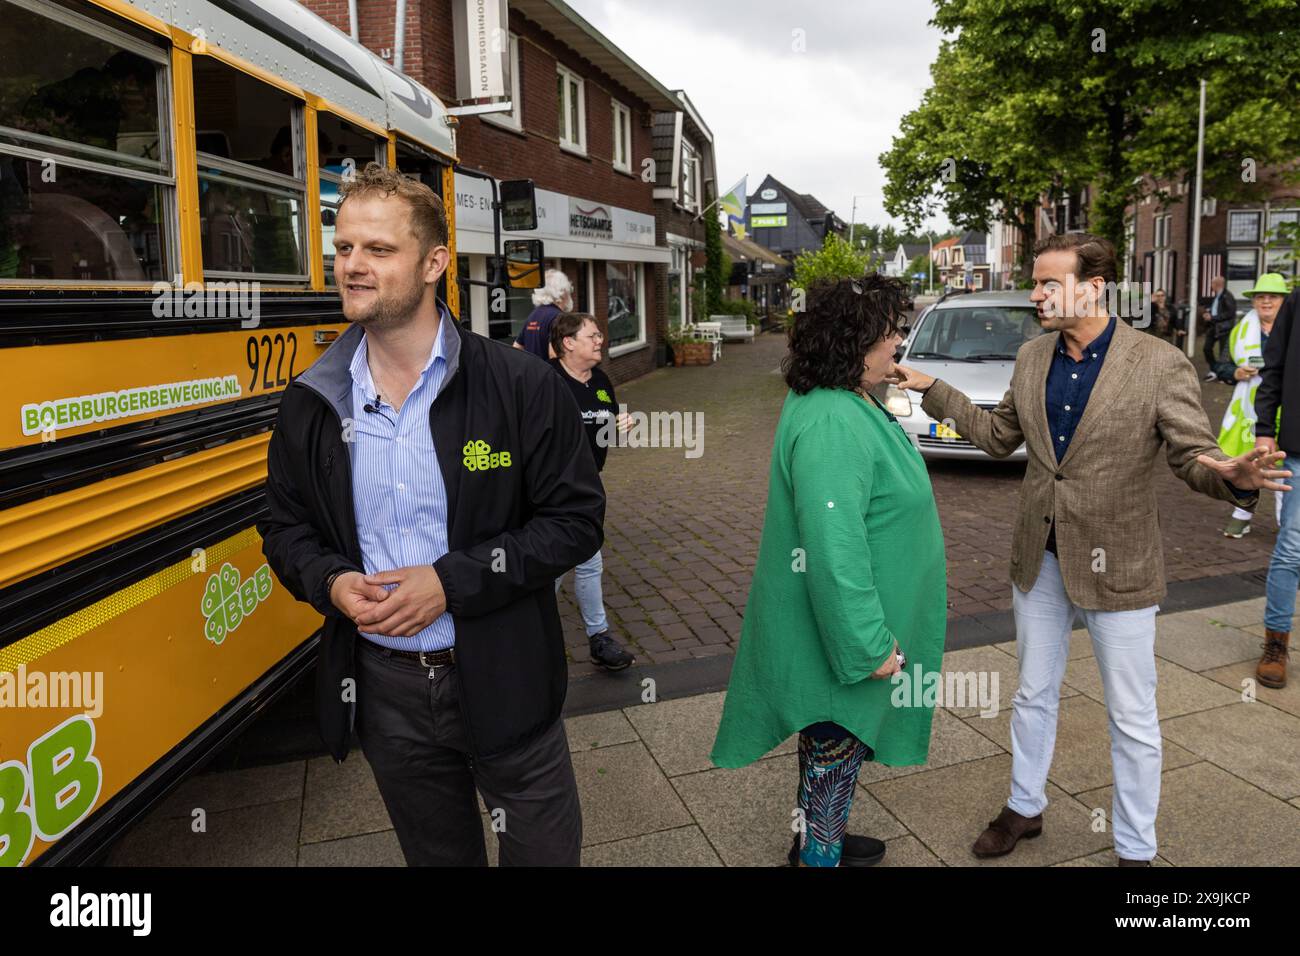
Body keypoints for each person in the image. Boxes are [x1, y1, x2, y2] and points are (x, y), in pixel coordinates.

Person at [891, 233, 1290, 866]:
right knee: (1032, 693)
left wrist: (1231, 476)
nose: (1036, 293)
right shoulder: (1030, 358)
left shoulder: (1157, 362)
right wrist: (929, 386)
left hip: (1121, 561)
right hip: (1039, 556)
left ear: (1093, 287)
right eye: (1036, 281)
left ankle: (1135, 848)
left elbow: (1192, 453)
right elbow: (998, 439)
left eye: (1049, 282)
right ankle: (1025, 807)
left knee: (1132, 713)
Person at [257, 162, 605, 866]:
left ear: (434, 263)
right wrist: (328, 581)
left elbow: (573, 520)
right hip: (385, 690)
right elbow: (283, 525)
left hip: (506, 675)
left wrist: (451, 582)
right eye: (345, 246)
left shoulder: (519, 385)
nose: (353, 265)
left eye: (379, 250)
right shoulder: (313, 399)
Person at [711, 273, 947, 868]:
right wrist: (867, 645)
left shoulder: (843, 397)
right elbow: (834, 549)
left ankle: (816, 839)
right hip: (844, 638)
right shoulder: (834, 422)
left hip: (842, 629)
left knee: (827, 747)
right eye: (891, 330)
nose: (899, 341)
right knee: (834, 744)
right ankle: (818, 855)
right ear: (856, 339)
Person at [548, 311, 636, 671]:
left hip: (588, 487)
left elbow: (606, 430)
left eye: (600, 336)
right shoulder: (546, 379)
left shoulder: (600, 380)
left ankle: (599, 638)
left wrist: (620, 428)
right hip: (550, 490)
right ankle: (529, 634)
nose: (600, 341)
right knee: (549, 566)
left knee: (589, 561)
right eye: (592, 336)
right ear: (568, 343)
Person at [1251, 278, 1300, 689]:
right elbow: (1275, 367)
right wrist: (1264, 428)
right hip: (1299, 448)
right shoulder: (1297, 301)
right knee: (1292, 547)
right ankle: (1276, 643)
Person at [1217, 274, 1288, 538]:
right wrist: (1235, 372)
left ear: (1285, 301)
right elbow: (1220, 365)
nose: (1266, 302)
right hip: (1249, 410)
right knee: (1247, 461)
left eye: (1273, 297)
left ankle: (1286, 521)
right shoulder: (1240, 331)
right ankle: (1242, 513)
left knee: (1285, 463)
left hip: (1287, 406)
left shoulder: (1294, 329)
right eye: (1260, 297)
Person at [514, 269, 573, 359]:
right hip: (549, 373)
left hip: (532, 371)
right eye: (568, 290)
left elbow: (516, 348)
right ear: (563, 292)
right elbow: (554, 355)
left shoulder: (533, 315)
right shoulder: (559, 317)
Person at [1202, 275, 1238, 380]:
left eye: (1212, 283)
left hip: (1224, 328)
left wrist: (1213, 317)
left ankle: (1223, 374)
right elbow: (1218, 309)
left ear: (1217, 284)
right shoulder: (1218, 295)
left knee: (1224, 353)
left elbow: (1230, 313)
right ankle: (1214, 369)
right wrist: (1208, 313)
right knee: (1206, 348)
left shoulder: (1227, 296)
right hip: (1214, 326)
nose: (1211, 286)